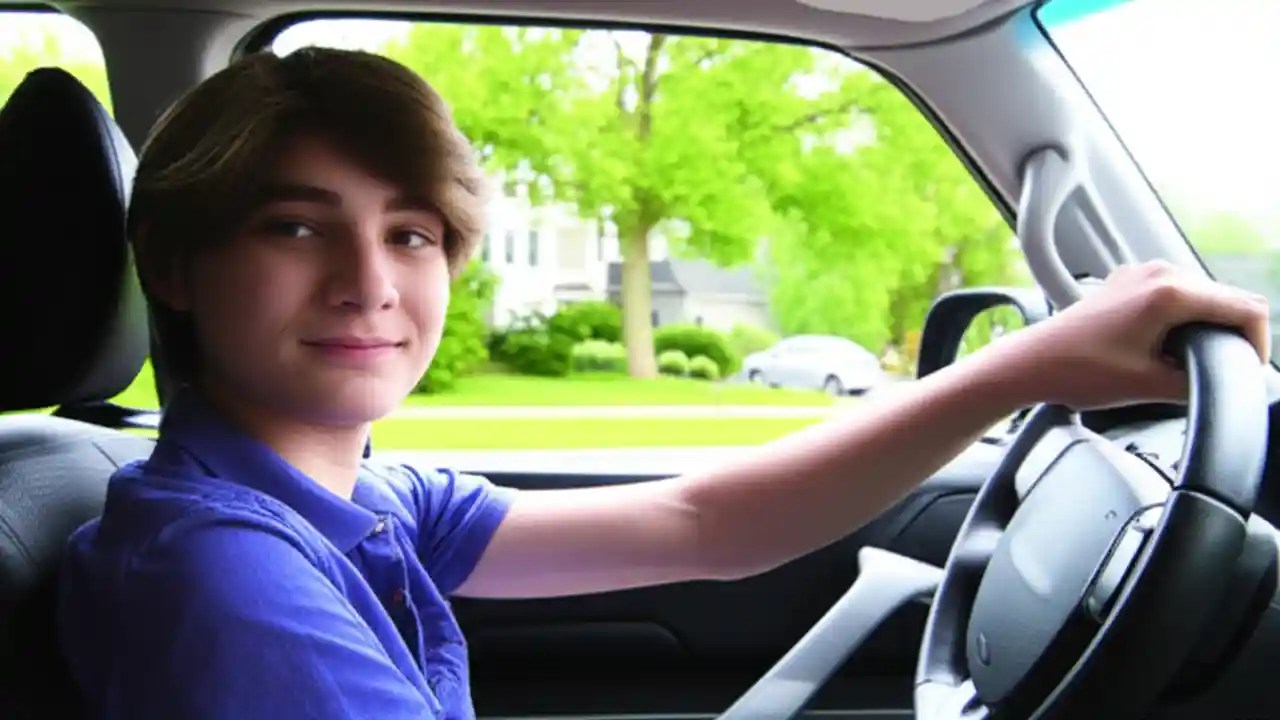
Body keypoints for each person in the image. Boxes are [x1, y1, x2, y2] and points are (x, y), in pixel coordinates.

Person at [56, 46, 1269, 719]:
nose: (371, 282)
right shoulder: (225, 577)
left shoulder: (352, 503)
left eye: (414, 233)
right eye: (295, 228)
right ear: (177, 260)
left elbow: (704, 524)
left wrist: (1029, 363)